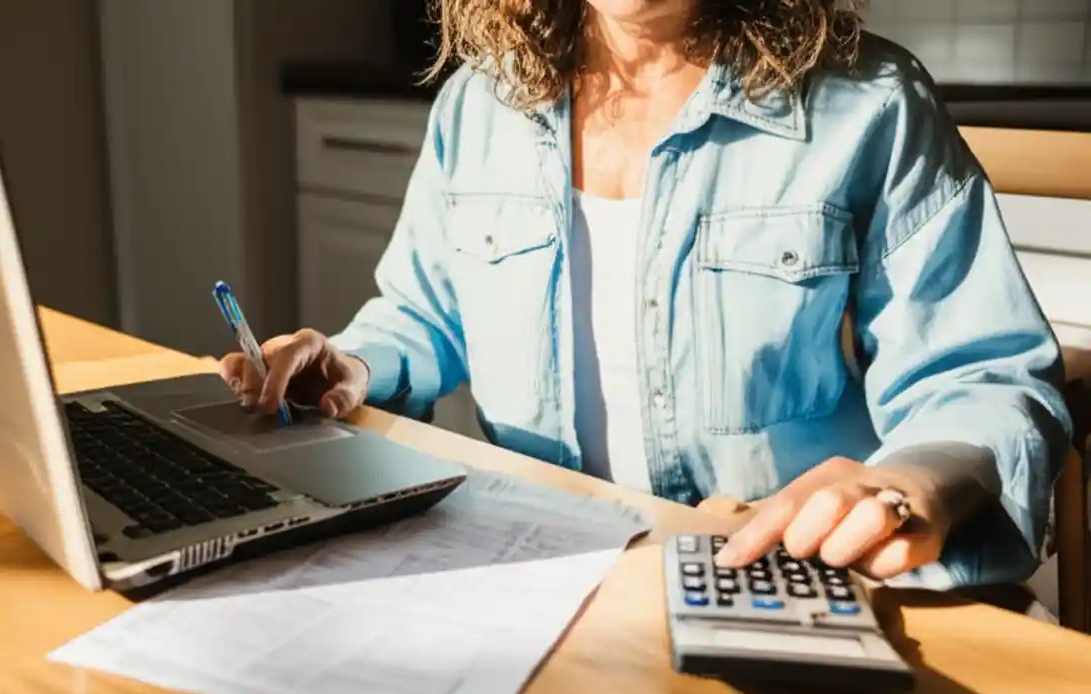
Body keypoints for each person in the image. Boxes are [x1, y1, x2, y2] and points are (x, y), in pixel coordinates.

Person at [222, 0, 1071, 588]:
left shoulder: (870, 104)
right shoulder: (478, 104)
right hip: (536, 572)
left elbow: (983, 380)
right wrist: (355, 366)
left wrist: (910, 486)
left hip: (780, 580)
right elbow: (426, 312)